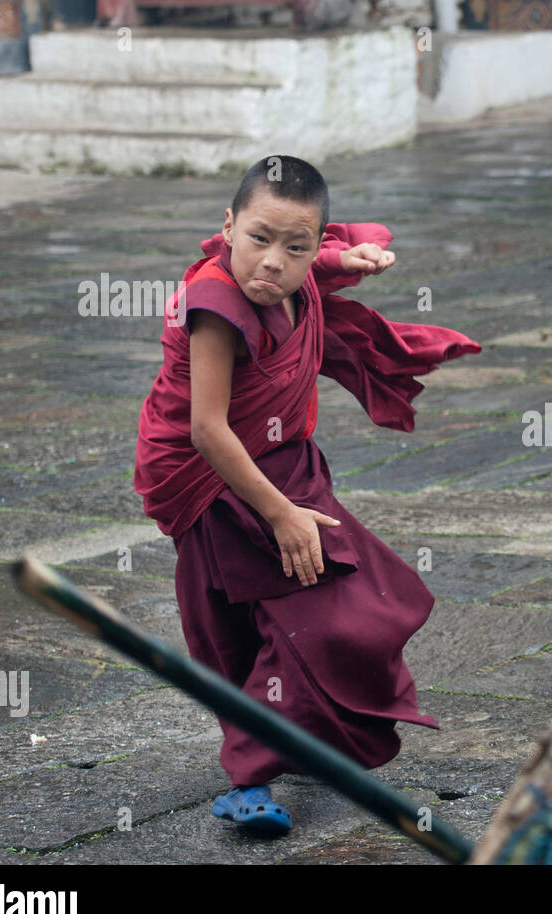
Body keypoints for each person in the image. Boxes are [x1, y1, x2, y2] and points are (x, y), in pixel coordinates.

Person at [134, 155, 480, 833]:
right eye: (259, 239)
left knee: (329, 609)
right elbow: (206, 429)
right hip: (217, 478)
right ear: (228, 227)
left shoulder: (294, 275)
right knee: (274, 620)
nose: (272, 263)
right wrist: (281, 515)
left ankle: (283, 739)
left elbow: (308, 269)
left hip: (285, 461)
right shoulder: (215, 305)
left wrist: (344, 259)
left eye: (296, 248)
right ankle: (250, 779)